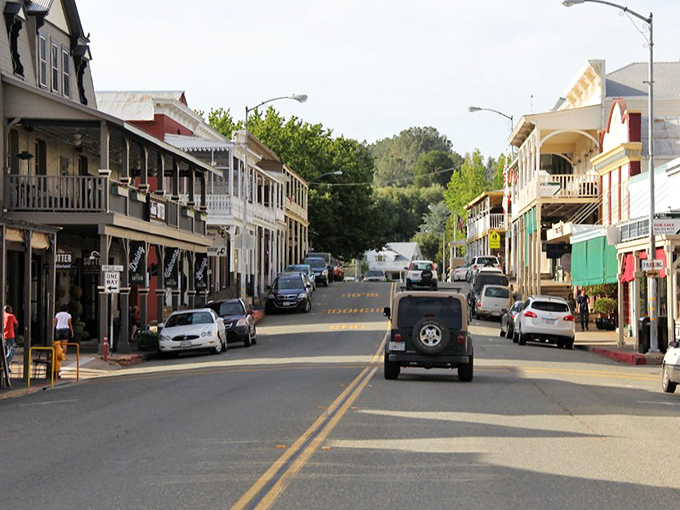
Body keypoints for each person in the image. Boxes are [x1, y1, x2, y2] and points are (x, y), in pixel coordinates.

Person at [53, 304, 73, 377]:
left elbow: (55, 322)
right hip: (65, 329)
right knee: (65, 344)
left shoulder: (57, 314)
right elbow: (69, 324)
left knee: (59, 344)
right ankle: (63, 355)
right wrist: (72, 331)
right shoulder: (68, 315)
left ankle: (59, 354)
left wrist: (53, 329)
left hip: (58, 329)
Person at [3, 305, 18, 373]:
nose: (12, 310)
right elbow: (16, 324)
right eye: (11, 309)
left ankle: (7, 368)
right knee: (12, 352)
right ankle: (5, 363)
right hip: (10, 335)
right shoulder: (11, 316)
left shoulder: (2, 316)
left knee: (6, 351)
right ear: (8, 310)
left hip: (3, 336)